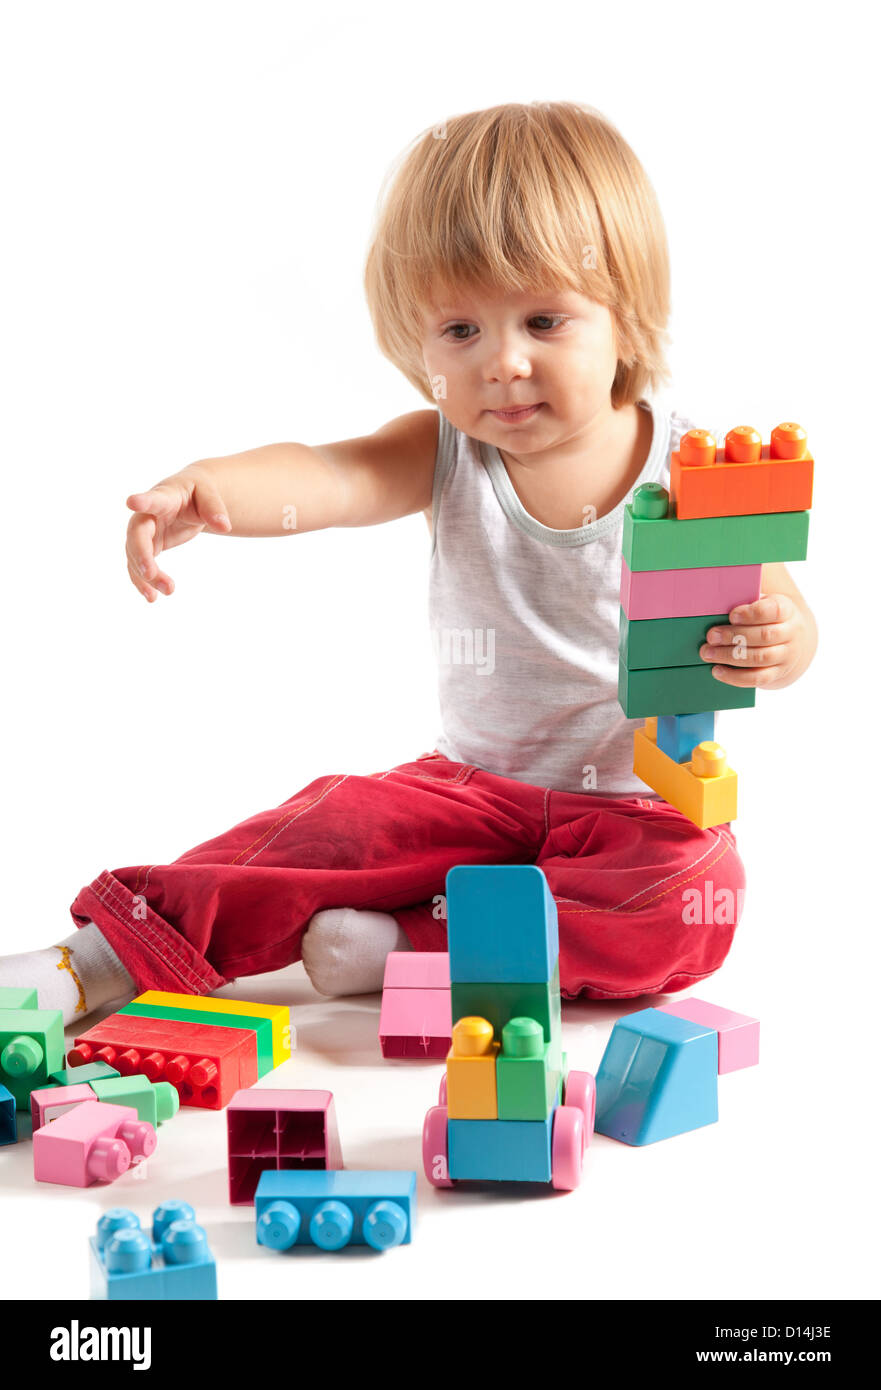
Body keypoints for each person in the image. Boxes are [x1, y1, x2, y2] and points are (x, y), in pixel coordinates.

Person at [0, 102, 817, 1025]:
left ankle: (402, 950)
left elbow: (776, 610)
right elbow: (330, 472)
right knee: (321, 831)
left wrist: (778, 641)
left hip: (632, 815)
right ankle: (89, 963)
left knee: (692, 899)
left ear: (624, 320)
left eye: (544, 321)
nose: (502, 363)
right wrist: (212, 489)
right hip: (465, 791)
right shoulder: (445, 452)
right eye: (459, 332)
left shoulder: (690, 468)